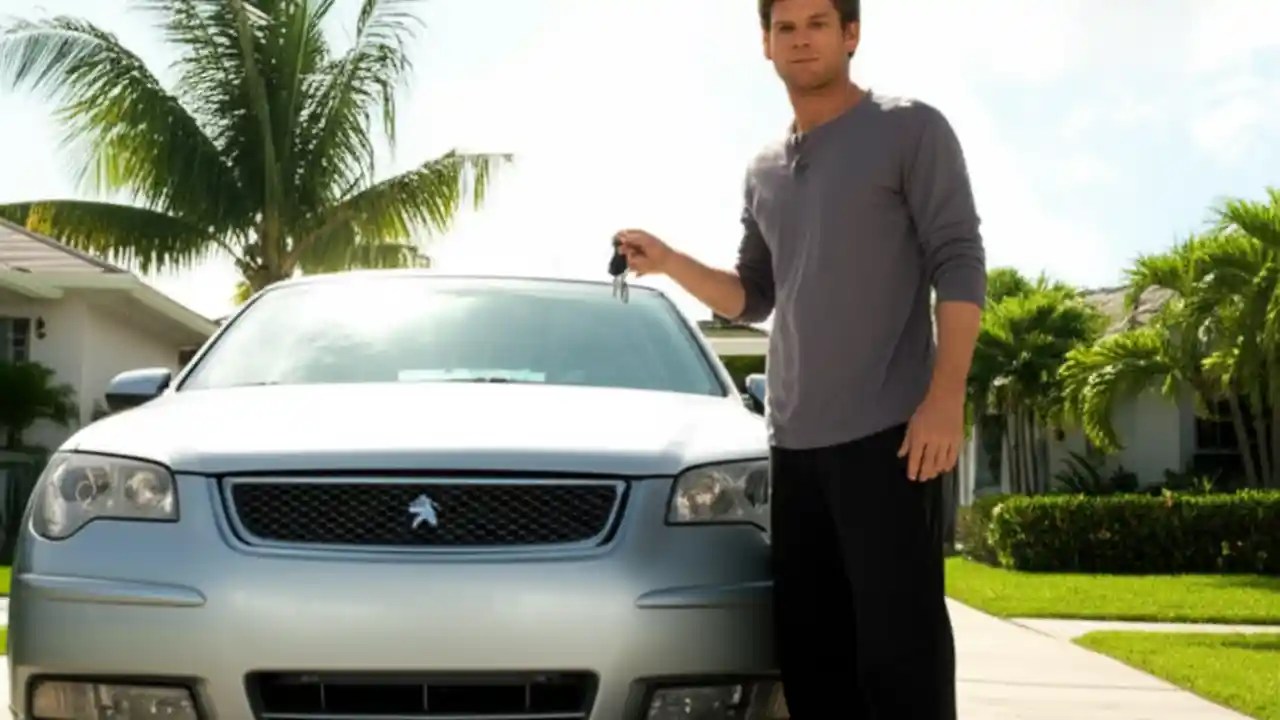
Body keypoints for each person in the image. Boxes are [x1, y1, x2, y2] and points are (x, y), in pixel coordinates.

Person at [614, 0, 985, 717]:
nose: (802, 38)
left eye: (819, 22)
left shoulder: (910, 128)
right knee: (815, 660)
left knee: (900, 660)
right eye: (786, 26)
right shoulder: (764, 168)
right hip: (794, 447)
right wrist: (667, 261)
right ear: (766, 45)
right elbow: (752, 295)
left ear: (851, 34)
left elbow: (959, 260)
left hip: (891, 438)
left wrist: (947, 397)